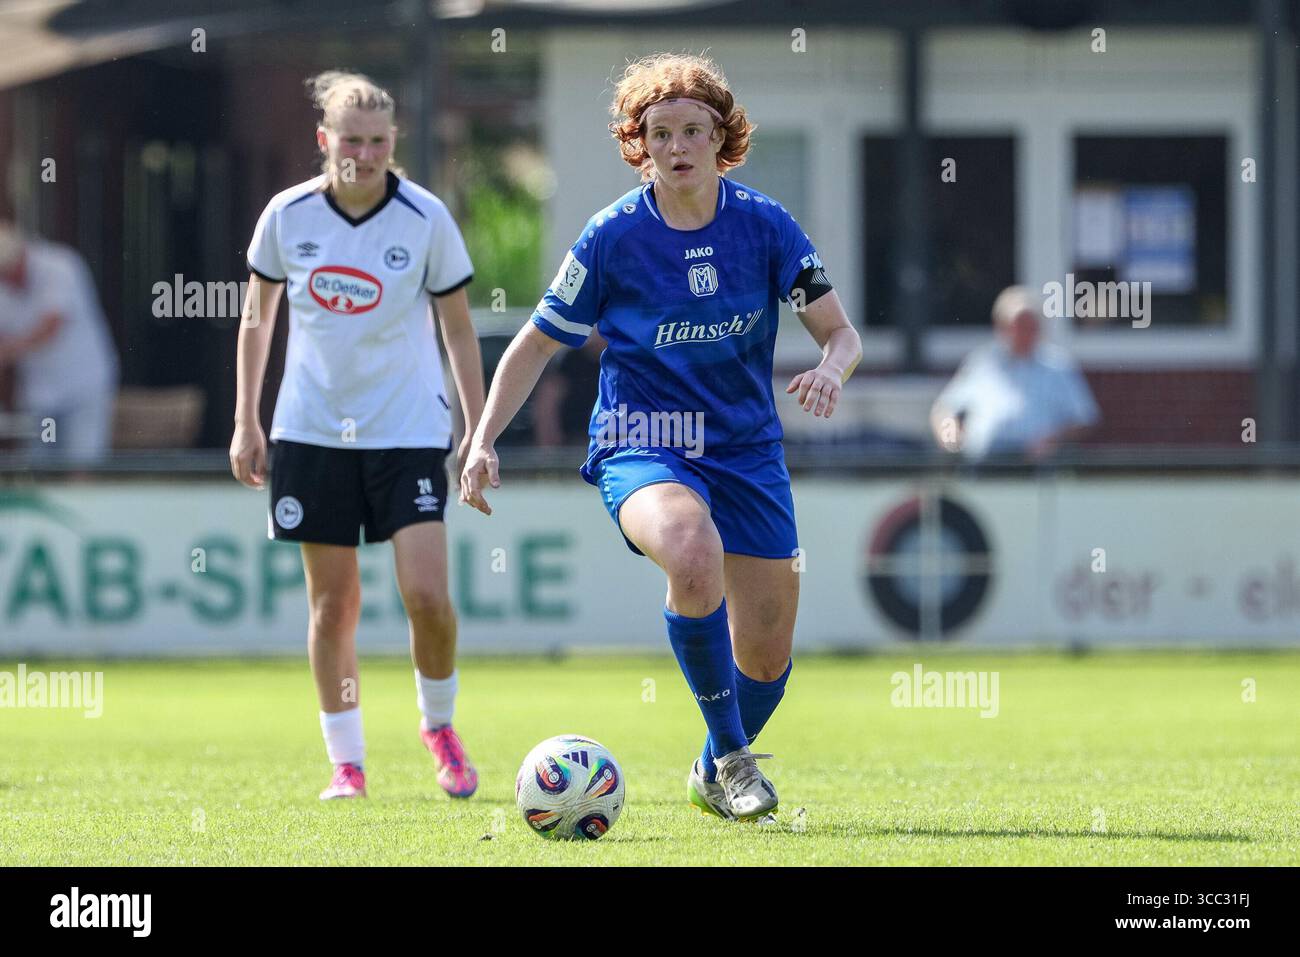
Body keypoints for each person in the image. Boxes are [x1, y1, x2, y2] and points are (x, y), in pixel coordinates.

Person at [461, 53, 861, 821]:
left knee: (768, 655)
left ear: (722, 138)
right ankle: (739, 760)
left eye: (692, 130)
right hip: (643, 439)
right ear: (639, 143)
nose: (676, 146)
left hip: (746, 449)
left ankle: (712, 768)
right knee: (689, 546)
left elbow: (840, 333)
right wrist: (481, 439)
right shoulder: (612, 236)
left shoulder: (766, 225)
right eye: (659, 132)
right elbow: (536, 343)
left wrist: (833, 371)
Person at [229, 71, 486, 801]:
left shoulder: (425, 216)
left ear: (393, 142)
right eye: (351, 140)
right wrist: (247, 418)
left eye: (378, 141)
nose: (365, 154)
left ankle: (439, 727)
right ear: (325, 141)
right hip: (311, 430)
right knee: (332, 606)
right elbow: (257, 320)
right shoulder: (287, 215)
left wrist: (476, 429)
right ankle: (347, 761)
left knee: (428, 595)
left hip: (407, 428)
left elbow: (459, 327)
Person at [930, 285, 1099, 461]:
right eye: (1017, 325)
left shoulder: (1058, 365)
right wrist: (951, 440)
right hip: (983, 465)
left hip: (1036, 468)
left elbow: (1084, 419)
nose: (1024, 332)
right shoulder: (982, 362)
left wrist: (1053, 439)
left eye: (1030, 325)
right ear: (1001, 327)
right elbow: (944, 409)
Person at [0, 220, 119, 465]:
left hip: (83, 387)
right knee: (38, 470)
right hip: (39, 394)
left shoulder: (60, 265)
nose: (7, 281)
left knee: (82, 466)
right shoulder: (3, 284)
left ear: (21, 256)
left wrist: (7, 351)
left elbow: (51, 326)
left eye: (9, 272)